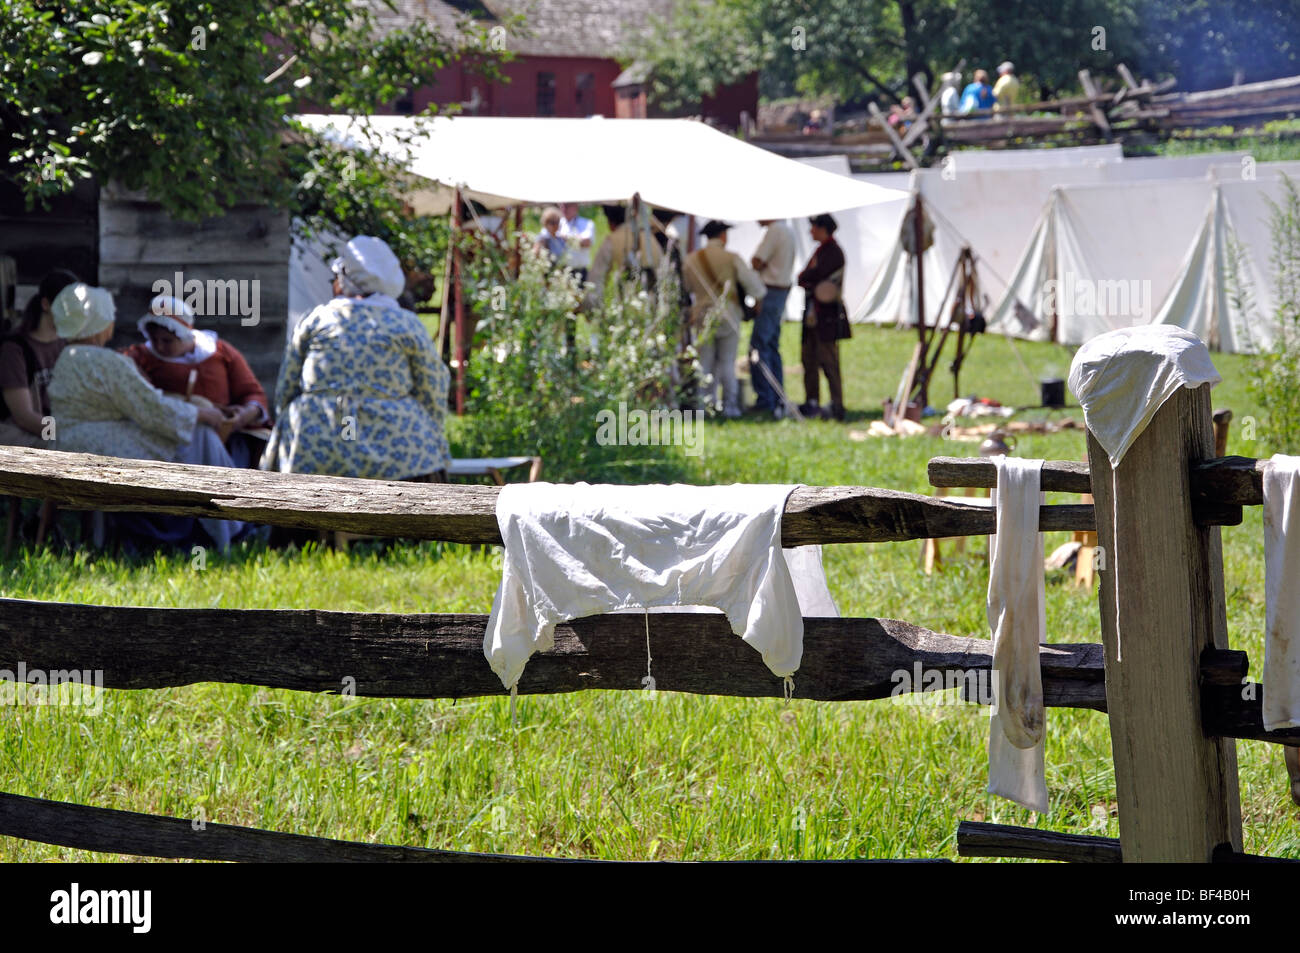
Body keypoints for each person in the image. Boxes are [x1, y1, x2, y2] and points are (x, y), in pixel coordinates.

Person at [46, 282, 246, 549]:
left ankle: (218, 525)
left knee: (190, 435)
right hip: (99, 447)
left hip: (68, 442)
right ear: (100, 322)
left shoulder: (67, 357)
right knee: (198, 437)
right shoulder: (106, 362)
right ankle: (227, 527)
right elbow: (151, 409)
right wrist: (202, 413)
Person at [262, 235, 452, 482]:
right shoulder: (406, 324)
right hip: (397, 449)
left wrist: (289, 420)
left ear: (343, 279)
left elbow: (286, 388)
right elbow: (433, 386)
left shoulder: (315, 320)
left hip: (315, 443)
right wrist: (428, 429)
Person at [121, 295, 271, 468]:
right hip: (168, 442)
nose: (160, 346)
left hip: (226, 440)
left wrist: (243, 416)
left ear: (184, 335)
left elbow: (253, 393)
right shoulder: (140, 356)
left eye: (167, 341)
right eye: (154, 339)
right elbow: (123, 376)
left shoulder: (220, 352)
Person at [682, 220, 766, 419]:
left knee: (705, 362)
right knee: (727, 362)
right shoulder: (731, 257)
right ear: (722, 236)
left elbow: (685, 288)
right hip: (729, 313)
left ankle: (704, 405)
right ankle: (730, 406)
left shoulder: (692, 259)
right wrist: (757, 303)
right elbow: (755, 286)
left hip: (702, 314)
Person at [0, 269, 77, 448]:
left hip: (58, 429)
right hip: (24, 435)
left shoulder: (67, 345)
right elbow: (24, 417)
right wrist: (68, 435)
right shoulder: (14, 350)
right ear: (46, 304)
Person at [797, 213, 850, 421]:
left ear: (822, 228)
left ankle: (837, 405)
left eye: (814, 227)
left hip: (826, 316)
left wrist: (808, 279)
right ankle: (812, 402)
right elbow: (804, 277)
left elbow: (813, 276)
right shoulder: (822, 250)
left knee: (829, 361)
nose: (811, 231)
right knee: (808, 359)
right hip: (814, 314)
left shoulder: (833, 252)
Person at [749, 218, 796, 417]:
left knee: (758, 347)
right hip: (780, 290)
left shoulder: (775, 230)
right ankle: (777, 395)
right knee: (771, 346)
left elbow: (757, 260)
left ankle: (765, 398)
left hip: (771, 290)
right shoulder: (787, 230)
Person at [584, 203, 663, 310]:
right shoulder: (651, 239)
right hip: (652, 308)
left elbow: (596, 279)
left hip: (623, 308)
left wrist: (593, 309)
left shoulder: (611, 242)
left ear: (609, 221)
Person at [557, 202, 595, 283]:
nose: (564, 209)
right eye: (562, 206)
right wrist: (576, 239)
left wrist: (566, 238)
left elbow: (587, 242)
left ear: (576, 207)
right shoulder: (556, 223)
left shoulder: (586, 223)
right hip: (561, 270)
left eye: (567, 206)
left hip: (580, 271)